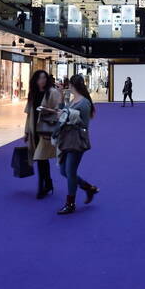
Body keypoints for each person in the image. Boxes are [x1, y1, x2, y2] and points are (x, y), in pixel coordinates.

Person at [56, 73, 98, 215]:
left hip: (77, 140)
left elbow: (83, 124)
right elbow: (63, 112)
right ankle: (88, 188)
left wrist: (66, 118)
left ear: (72, 86)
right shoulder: (74, 100)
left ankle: (70, 203)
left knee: (70, 171)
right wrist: (61, 100)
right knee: (64, 171)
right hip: (67, 138)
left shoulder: (84, 102)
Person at [24, 68, 63, 199]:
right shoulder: (33, 94)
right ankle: (48, 183)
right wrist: (26, 132)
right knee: (42, 159)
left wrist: (47, 110)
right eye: (40, 78)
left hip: (46, 130)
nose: (42, 81)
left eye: (44, 78)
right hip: (34, 129)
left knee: (41, 157)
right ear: (35, 80)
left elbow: (60, 111)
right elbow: (29, 114)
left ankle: (42, 186)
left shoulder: (52, 93)